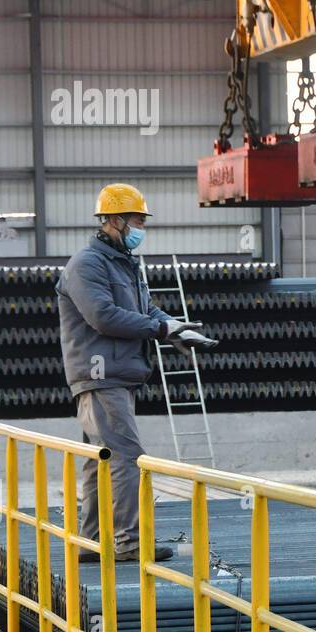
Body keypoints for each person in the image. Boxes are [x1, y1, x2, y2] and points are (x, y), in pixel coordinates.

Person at [56, 183, 218, 562]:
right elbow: (104, 317)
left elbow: (147, 311)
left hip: (117, 375)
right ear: (113, 221)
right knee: (128, 457)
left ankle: (93, 541)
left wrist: (175, 326)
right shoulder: (87, 264)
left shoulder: (125, 265)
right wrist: (160, 329)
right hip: (100, 376)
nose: (140, 228)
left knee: (103, 458)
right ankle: (128, 542)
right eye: (136, 221)